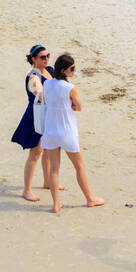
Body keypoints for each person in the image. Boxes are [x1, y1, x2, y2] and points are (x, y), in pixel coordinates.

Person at [41, 53, 103, 213]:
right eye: (72, 68)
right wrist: (71, 106)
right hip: (66, 131)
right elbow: (79, 106)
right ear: (64, 70)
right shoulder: (70, 88)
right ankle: (90, 199)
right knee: (79, 166)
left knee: (54, 169)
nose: (74, 71)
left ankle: (55, 204)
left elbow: (46, 101)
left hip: (50, 130)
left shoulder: (47, 84)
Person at [13, 45, 59, 202]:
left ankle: (47, 181)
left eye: (48, 55)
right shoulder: (33, 77)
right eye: (42, 57)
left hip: (49, 114)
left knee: (48, 149)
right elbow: (42, 96)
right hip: (36, 117)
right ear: (33, 59)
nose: (46, 59)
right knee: (36, 152)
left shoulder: (50, 70)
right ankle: (27, 190)